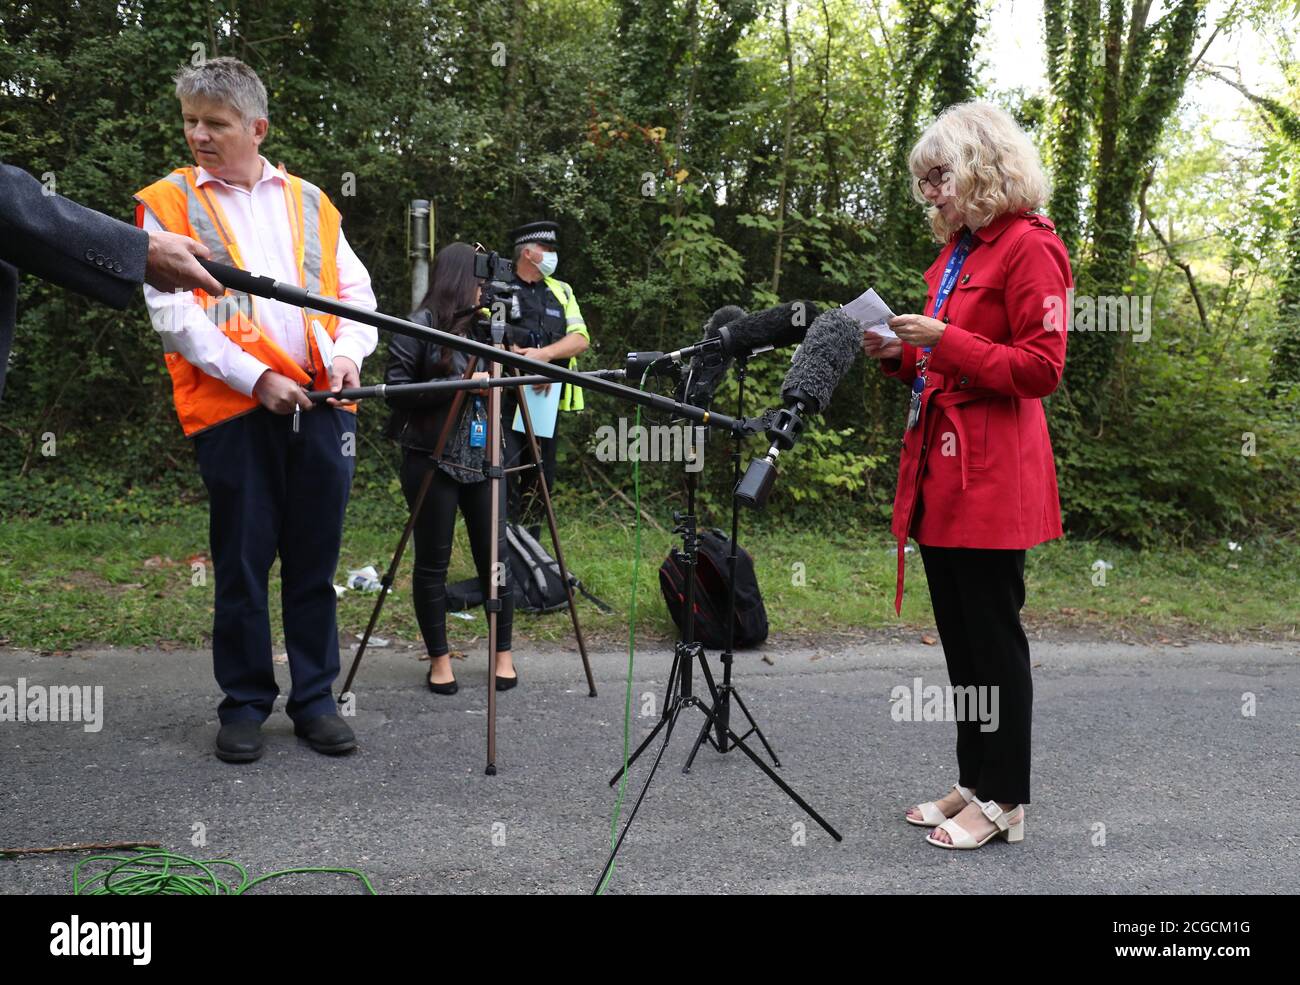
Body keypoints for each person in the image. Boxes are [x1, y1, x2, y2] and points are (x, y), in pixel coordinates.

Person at [136, 57, 377, 763]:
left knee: (315, 560)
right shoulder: (167, 203)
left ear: (257, 126)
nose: (199, 135)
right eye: (190, 121)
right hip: (234, 410)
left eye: (216, 123)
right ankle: (243, 703)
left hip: (323, 405)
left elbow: (357, 298)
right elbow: (174, 316)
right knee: (241, 561)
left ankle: (315, 700)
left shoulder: (309, 199)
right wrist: (256, 379)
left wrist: (346, 358)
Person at [862, 102, 1070, 850]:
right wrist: (901, 354)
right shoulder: (960, 251)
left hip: (993, 476)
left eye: (941, 176)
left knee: (992, 639)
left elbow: (1042, 368)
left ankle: (1008, 801)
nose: (932, 194)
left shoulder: (1029, 247)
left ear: (984, 164)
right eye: (924, 182)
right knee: (958, 640)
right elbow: (940, 359)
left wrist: (945, 340)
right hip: (940, 471)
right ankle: (976, 778)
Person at [384, 242, 516, 695]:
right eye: (479, 278)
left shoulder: (487, 331)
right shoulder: (417, 326)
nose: (485, 287)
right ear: (460, 279)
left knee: (495, 561)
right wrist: (461, 384)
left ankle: (503, 654)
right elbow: (397, 391)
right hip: (430, 458)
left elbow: (514, 386)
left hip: (485, 458)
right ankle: (440, 660)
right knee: (432, 563)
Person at [0, 159, 222, 403]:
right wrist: (139, 251)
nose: (199, 134)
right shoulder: (169, 194)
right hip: (222, 406)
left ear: (258, 131)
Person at [500, 220, 589, 537]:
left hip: (544, 401)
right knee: (505, 475)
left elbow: (579, 339)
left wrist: (545, 357)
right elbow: (487, 339)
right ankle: (502, 554)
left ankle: (532, 553)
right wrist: (525, 367)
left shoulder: (561, 290)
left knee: (539, 479)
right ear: (527, 252)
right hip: (504, 399)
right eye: (547, 249)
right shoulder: (499, 287)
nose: (552, 255)